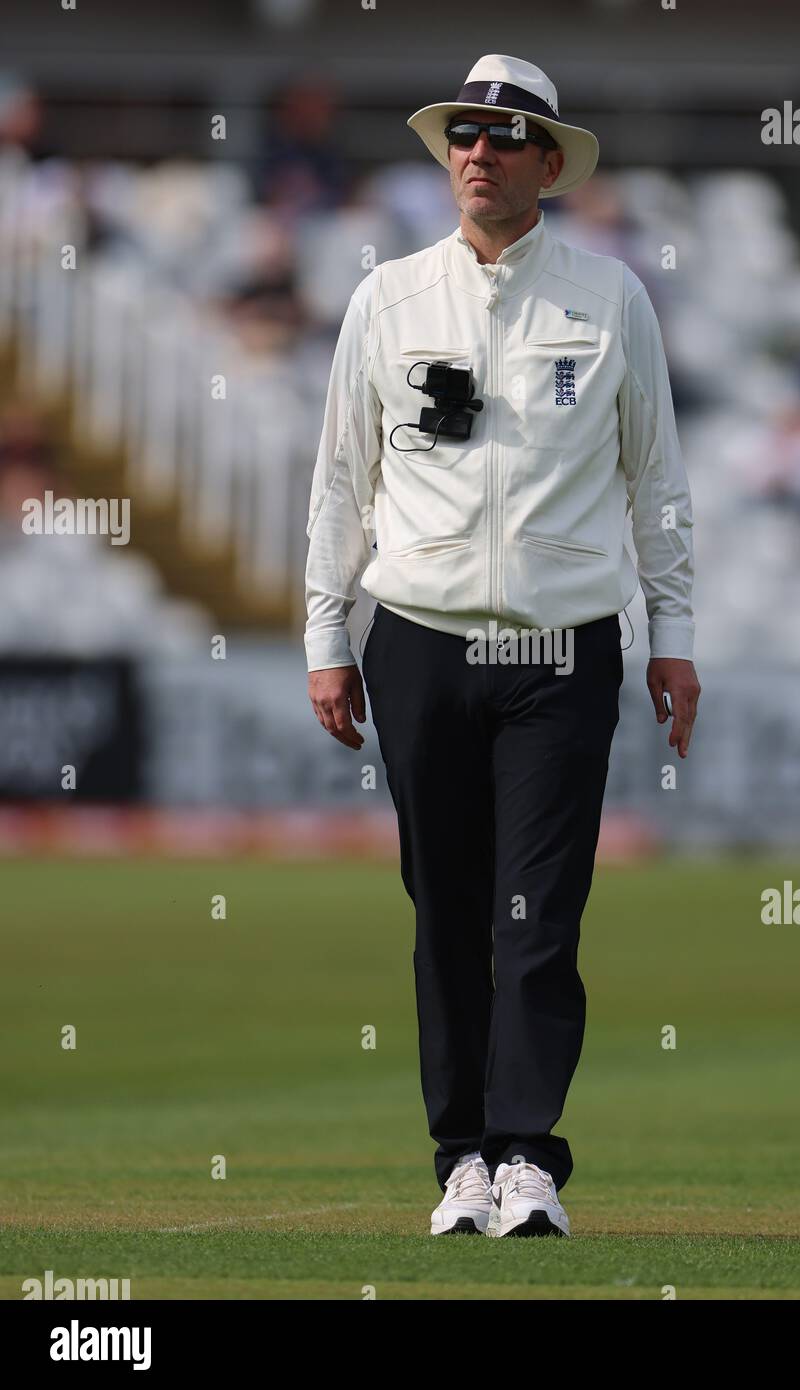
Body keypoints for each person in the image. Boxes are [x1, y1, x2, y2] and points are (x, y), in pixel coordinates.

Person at [304, 54, 700, 1237]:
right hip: (417, 640)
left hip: (559, 646)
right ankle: (458, 1160)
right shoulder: (386, 297)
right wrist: (326, 634)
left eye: (504, 137)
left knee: (538, 911)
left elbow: (657, 480)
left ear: (546, 162)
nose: (479, 153)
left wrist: (673, 635)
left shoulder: (609, 295)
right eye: (464, 135)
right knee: (446, 910)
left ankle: (526, 1157)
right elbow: (340, 479)